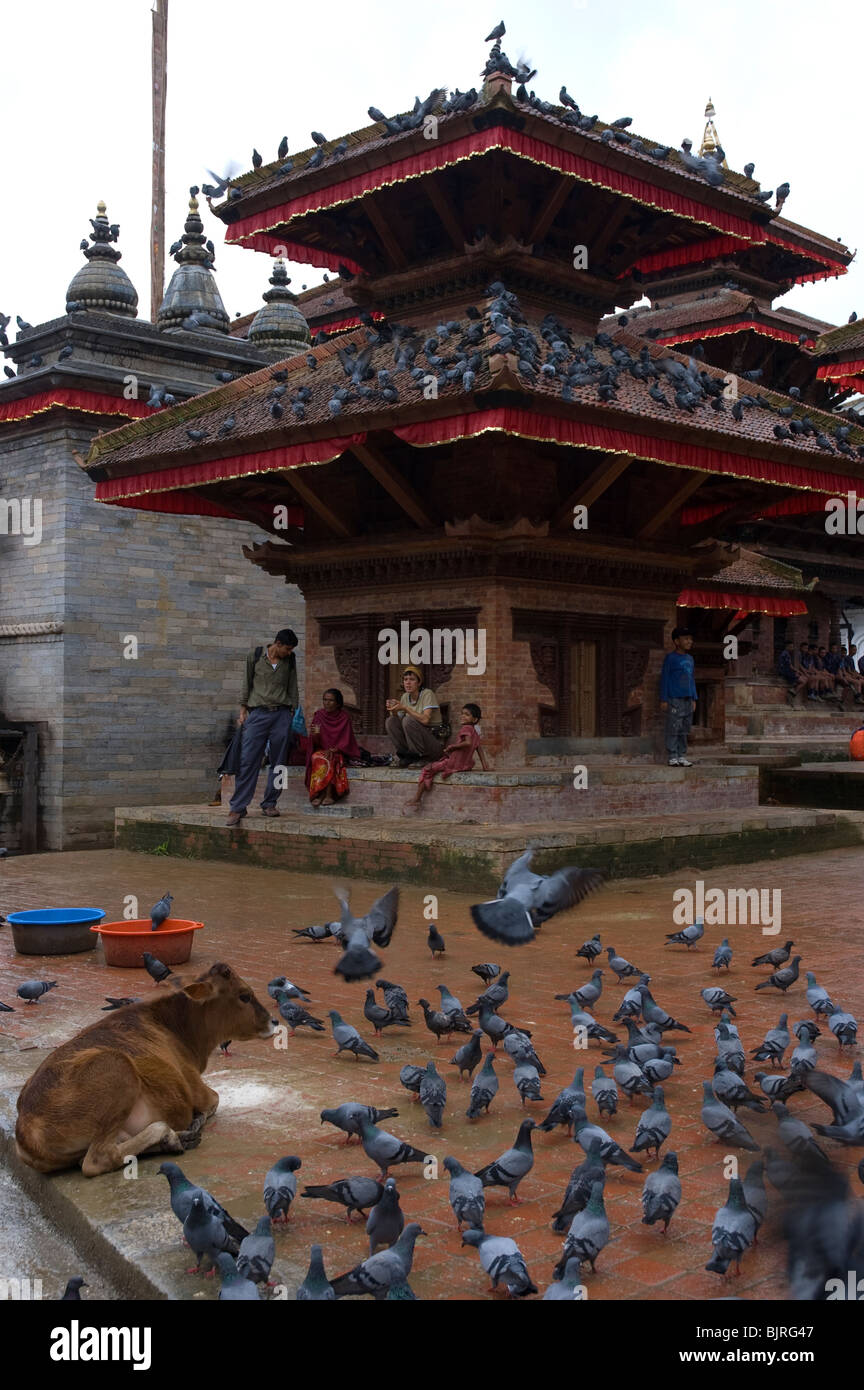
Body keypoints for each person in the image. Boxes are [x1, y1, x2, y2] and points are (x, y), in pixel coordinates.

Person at [227, 629, 299, 827]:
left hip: (282, 714)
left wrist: (292, 711)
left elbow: (293, 686)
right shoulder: (256, 656)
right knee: (248, 760)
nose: (289, 652)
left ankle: (270, 802)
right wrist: (243, 709)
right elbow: (246, 683)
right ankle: (238, 807)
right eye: (287, 648)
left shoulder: (290, 661)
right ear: (277, 643)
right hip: (257, 713)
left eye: (292, 649)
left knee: (280, 762)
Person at [404, 704, 488, 811]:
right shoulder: (475, 732)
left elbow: (468, 743)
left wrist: (452, 747)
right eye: (462, 713)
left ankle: (417, 798)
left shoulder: (466, 728)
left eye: (467, 715)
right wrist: (485, 766)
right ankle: (419, 796)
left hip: (454, 763)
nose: (462, 716)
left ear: (475, 719)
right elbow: (478, 748)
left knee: (427, 769)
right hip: (465, 765)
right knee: (436, 765)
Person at [306, 688, 362, 807]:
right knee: (317, 757)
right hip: (322, 750)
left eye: (331, 700)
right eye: (325, 700)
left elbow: (347, 739)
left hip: (339, 751)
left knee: (330, 758)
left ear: (338, 703)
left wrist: (335, 749)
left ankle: (329, 794)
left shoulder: (344, 717)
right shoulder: (319, 715)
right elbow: (315, 742)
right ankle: (318, 793)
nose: (327, 703)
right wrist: (315, 734)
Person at [385, 666, 443, 765]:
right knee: (391, 721)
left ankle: (421, 758)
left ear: (419, 683)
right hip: (413, 745)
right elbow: (398, 720)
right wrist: (394, 709)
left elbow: (425, 720)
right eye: (405, 679)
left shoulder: (427, 694)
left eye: (412, 679)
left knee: (408, 720)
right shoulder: (405, 696)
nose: (408, 682)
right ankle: (406, 756)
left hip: (432, 745)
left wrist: (405, 708)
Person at [659, 626, 697, 767]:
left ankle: (682, 755)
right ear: (676, 641)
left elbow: (692, 678)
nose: (689, 641)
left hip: (688, 699)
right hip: (674, 698)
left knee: (685, 728)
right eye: (686, 638)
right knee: (674, 726)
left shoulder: (690, 659)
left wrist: (694, 697)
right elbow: (665, 679)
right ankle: (672, 755)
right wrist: (663, 698)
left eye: (690, 639)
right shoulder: (670, 658)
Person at [777, 640, 806, 707]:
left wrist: (797, 671)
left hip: (788, 671)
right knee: (803, 681)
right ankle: (793, 692)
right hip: (785, 671)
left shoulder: (787, 654)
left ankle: (793, 691)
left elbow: (791, 666)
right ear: (787, 647)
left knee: (802, 679)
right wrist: (796, 672)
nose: (792, 648)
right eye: (791, 647)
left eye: (792, 647)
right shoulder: (785, 654)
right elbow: (788, 666)